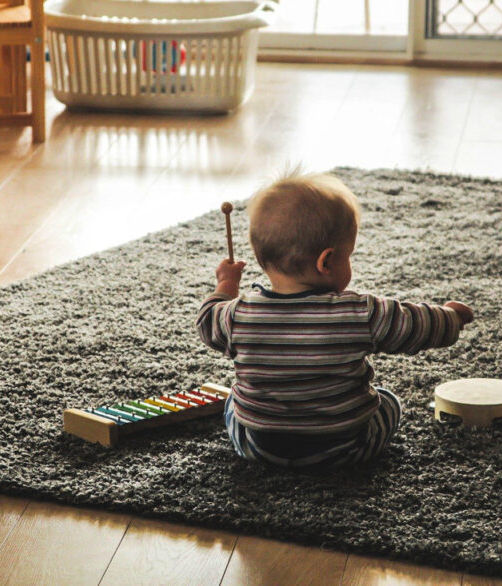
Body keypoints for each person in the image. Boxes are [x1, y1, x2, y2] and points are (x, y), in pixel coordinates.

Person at [197, 171, 474, 471]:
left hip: (260, 448)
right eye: (348, 256)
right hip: (345, 449)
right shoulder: (360, 313)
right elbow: (415, 324)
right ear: (326, 262)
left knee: (232, 403)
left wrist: (226, 285)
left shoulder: (237, 315)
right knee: (389, 401)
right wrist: (452, 317)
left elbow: (207, 320)